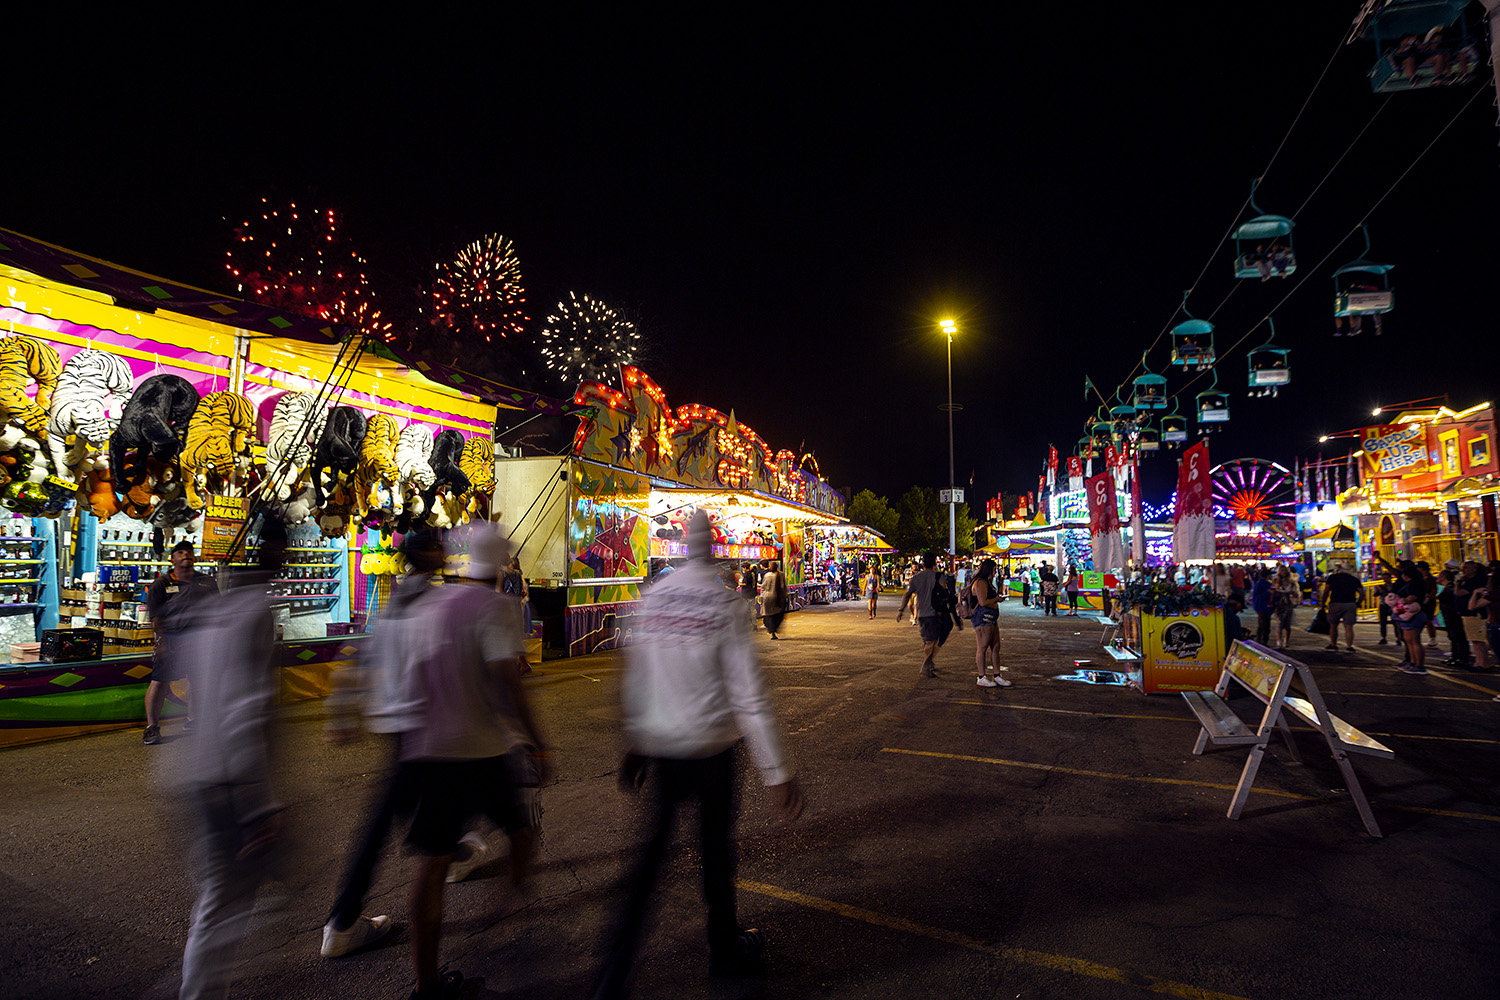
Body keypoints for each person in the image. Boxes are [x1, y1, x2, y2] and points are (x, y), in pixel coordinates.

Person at [594, 510, 804, 998]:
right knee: (715, 854)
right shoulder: (726, 605)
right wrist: (777, 772)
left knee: (648, 863)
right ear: (713, 548)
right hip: (712, 751)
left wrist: (635, 743)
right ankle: (724, 952)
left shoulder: (654, 600)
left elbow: (636, 674)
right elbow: (748, 694)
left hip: (664, 748)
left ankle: (611, 973)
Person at [400, 522, 547, 999]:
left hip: (430, 750)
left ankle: (426, 984)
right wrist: (536, 741)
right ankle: (505, 910)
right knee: (522, 833)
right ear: (501, 564)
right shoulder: (497, 607)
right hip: (481, 752)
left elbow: (412, 675)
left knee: (433, 866)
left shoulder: (433, 604)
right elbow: (507, 680)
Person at [320, 529, 448, 959]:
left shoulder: (399, 600)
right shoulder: (429, 602)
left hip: (399, 721)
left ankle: (465, 845)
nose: (444, 550)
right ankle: (342, 921)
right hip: (419, 724)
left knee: (417, 804)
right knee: (386, 821)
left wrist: (344, 707)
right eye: (437, 545)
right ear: (424, 555)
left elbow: (360, 653)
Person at [174, 517, 286, 1000]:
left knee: (224, 894)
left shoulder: (208, 613)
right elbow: (247, 707)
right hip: (229, 781)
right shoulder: (255, 614)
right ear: (271, 556)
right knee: (224, 900)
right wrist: (258, 802)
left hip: (196, 773)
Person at [142, 540, 218, 745]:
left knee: (198, 680)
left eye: (189, 552)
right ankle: (152, 727)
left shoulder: (207, 582)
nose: (186, 555)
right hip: (171, 639)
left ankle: (193, 720)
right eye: (181, 552)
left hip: (200, 639)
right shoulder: (162, 583)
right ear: (173, 558)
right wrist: (162, 642)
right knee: (159, 681)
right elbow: (155, 617)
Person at [896, 552, 942, 677]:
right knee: (933, 641)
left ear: (922, 564)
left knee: (927, 640)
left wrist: (901, 610)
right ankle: (925, 665)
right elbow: (944, 592)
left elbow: (907, 594)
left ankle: (930, 663)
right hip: (934, 613)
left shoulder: (916, 578)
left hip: (921, 613)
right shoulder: (938, 576)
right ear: (935, 563)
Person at [968, 559, 1010, 688]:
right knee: (982, 647)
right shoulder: (980, 582)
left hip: (991, 617)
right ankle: (981, 676)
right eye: (993, 569)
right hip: (983, 618)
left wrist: (997, 599)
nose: (995, 572)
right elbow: (983, 602)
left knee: (996, 647)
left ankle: (997, 675)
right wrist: (996, 599)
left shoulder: (987, 582)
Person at [500, 555, 533, 673]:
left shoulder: (501, 574)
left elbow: (498, 593)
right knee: (515, 637)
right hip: (517, 608)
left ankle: (514, 665)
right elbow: (521, 594)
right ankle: (521, 663)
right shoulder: (519, 575)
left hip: (506, 609)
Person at [1321, 563, 1362, 653]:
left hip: (1335, 603)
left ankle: (1333, 645)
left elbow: (1326, 591)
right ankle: (1349, 646)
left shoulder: (1332, 578)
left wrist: (1323, 603)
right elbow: (1361, 593)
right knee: (1349, 627)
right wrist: (1357, 603)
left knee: (1333, 625)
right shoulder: (1354, 579)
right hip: (1350, 604)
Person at [1273, 565, 1299, 649]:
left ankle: (1286, 641)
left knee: (1287, 624)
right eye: (1282, 570)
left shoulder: (1292, 582)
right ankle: (1279, 642)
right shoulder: (1276, 581)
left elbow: (1296, 594)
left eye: (1285, 571)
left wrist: (1292, 593)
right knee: (1279, 623)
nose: (1283, 572)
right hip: (1279, 604)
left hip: (1288, 603)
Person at [760, 560, 787, 639]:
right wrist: (785, 596)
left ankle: (772, 632)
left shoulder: (767, 575)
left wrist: (762, 596)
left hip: (767, 597)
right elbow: (783, 587)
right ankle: (774, 629)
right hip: (777, 597)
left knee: (770, 616)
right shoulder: (780, 575)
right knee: (778, 615)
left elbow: (763, 586)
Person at [1251, 568, 1274, 645]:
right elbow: (1257, 596)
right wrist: (1269, 593)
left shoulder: (1267, 583)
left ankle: (1263, 640)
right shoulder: (1261, 583)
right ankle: (1261, 640)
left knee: (1265, 624)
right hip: (1262, 606)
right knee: (1263, 624)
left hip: (1266, 607)